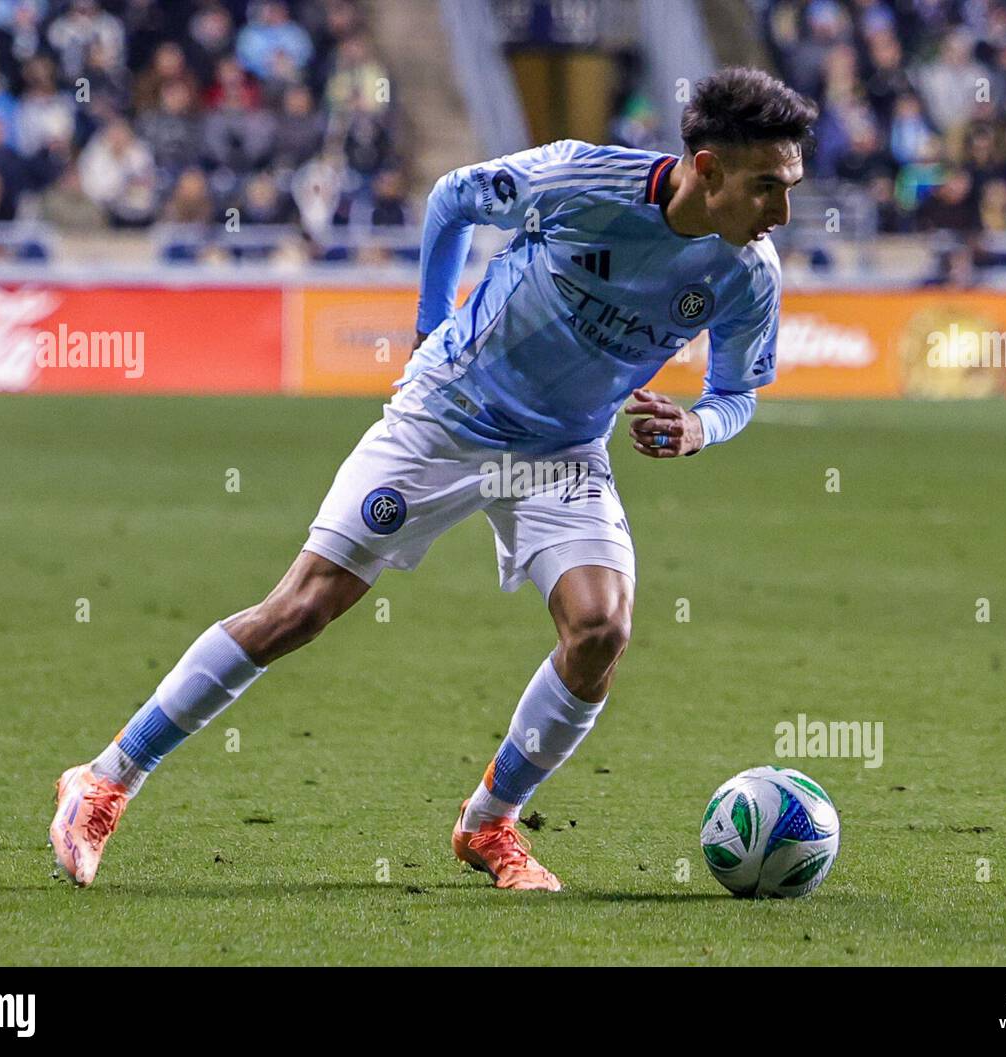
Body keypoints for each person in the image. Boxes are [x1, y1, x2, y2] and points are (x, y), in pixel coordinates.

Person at [50, 66, 814, 892]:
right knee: (301, 608)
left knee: (600, 628)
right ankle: (106, 777)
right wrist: (428, 329)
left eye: (790, 187)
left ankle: (489, 823)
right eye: (767, 187)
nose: (781, 211)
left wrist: (699, 425)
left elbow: (737, 392)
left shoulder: (748, 274)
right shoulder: (581, 181)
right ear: (706, 169)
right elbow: (454, 197)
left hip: (562, 451)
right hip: (446, 417)